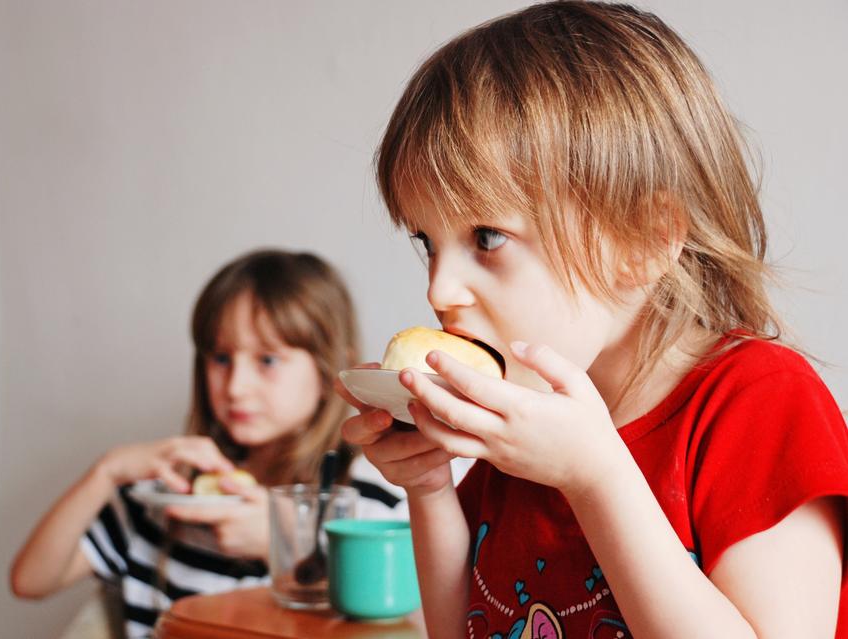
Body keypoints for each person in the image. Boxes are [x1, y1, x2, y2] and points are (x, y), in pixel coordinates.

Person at [340, 3, 848, 638]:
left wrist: (596, 477)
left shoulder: (760, 404)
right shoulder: (524, 415)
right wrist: (430, 490)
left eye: (488, 236)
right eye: (427, 242)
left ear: (643, 241)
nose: (439, 288)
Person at [11, 249, 405, 638]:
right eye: (220, 358)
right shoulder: (164, 496)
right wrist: (106, 471)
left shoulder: (369, 497)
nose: (235, 387)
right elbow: (31, 582)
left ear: (329, 370)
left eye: (267, 360)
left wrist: (281, 544)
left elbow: (397, 625)